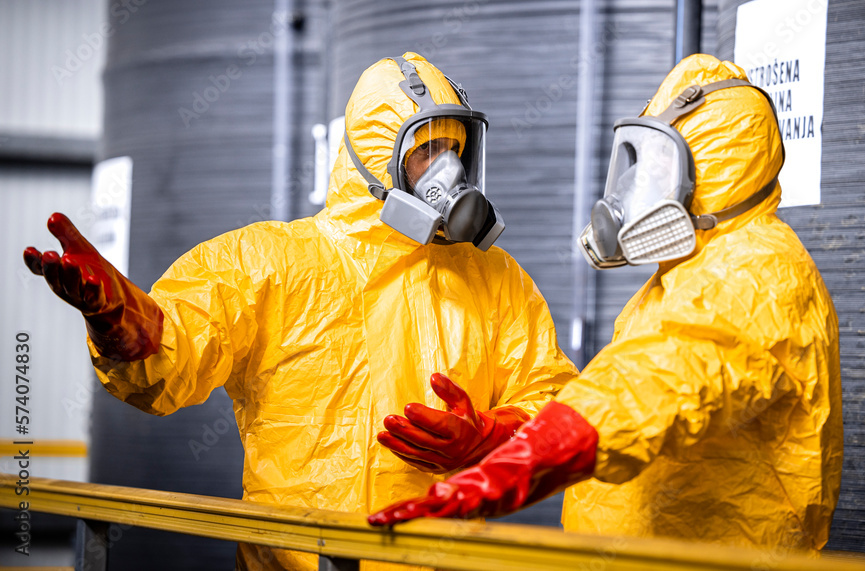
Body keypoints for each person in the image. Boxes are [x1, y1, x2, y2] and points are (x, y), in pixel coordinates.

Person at [24, 53, 579, 571]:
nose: (448, 173)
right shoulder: (272, 264)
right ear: (375, 157)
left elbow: (553, 398)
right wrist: (125, 327)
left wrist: (491, 437)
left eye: (456, 151)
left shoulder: (495, 278)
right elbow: (176, 354)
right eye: (427, 152)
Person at [368, 54, 844, 554]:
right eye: (640, 165)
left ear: (715, 175)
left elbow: (647, 385)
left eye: (660, 169)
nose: (638, 189)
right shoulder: (686, 274)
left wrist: (510, 467)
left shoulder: (758, 273)